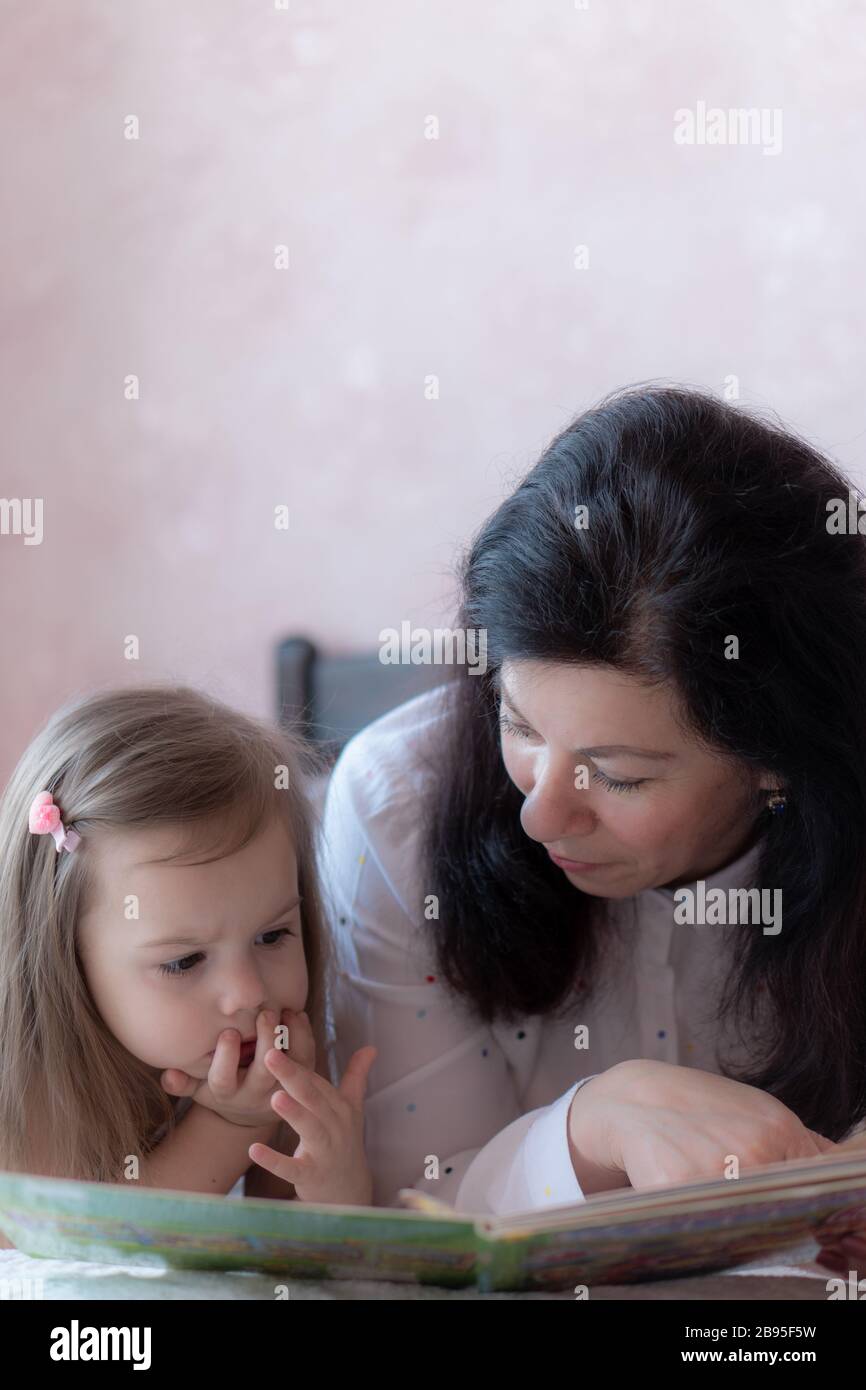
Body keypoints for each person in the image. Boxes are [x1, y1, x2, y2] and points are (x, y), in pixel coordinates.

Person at [323, 385, 866, 1278]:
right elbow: (408, 1213)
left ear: (776, 754)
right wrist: (594, 1125)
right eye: (520, 725)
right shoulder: (398, 808)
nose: (540, 813)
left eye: (618, 774)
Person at [0, 684, 376, 1248]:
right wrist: (230, 1127)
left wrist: (339, 1187)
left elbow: (313, 1255)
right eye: (183, 962)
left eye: (272, 934)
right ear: (66, 962)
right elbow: (86, 1252)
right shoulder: (31, 1090)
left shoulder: (264, 1060)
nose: (247, 993)